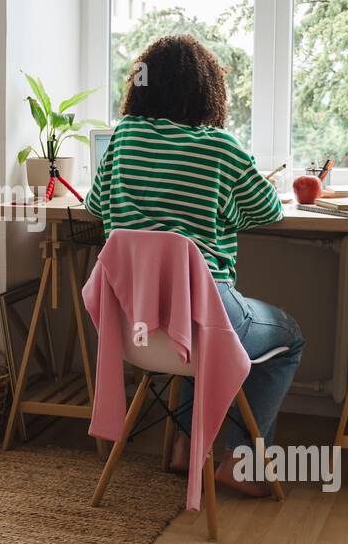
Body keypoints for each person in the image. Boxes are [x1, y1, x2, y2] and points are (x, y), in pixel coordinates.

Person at [84, 34, 305, 496]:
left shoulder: (123, 139)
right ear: (207, 91)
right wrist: (227, 209)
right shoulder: (220, 148)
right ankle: (241, 464)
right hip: (200, 325)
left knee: (191, 320)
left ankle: (187, 448)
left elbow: (95, 205)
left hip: (132, 327)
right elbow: (270, 211)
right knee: (288, 336)